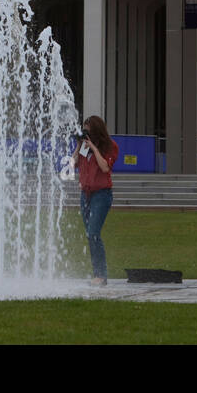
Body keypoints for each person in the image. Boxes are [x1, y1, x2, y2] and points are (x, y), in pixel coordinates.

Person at [71, 115, 118, 286]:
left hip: (102, 195)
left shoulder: (110, 147)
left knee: (94, 233)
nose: (86, 135)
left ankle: (101, 275)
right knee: (90, 235)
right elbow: (71, 165)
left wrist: (94, 148)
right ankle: (97, 273)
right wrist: (78, 147)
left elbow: (105, 167)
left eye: (88, 132)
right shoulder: (83, 148)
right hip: (86, 194)